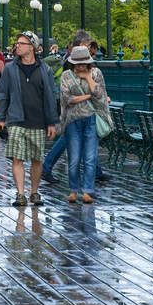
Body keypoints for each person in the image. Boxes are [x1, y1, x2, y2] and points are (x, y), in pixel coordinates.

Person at [0, 32, 59, 206]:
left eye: (21, 43)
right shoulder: (10, 68)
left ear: (32, 47)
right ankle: (20, 194)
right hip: (16, 119)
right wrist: (1, 117)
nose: (17, 46)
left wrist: (52, 122)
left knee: (37, 159)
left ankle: (34, 192)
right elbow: (3, 94)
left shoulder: (45, 69)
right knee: (17, 158)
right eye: (17, 43)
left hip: (38, 120)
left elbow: (50, 97)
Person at [51, 45, 107, 204]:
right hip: (72, 120)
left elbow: (101, 95)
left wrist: (88, 78)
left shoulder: (96, 73)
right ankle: (74, 190)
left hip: (91, 119)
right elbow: (66, 99)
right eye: (77, 63)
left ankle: (88, 191)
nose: (80, 66)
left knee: (90, 157)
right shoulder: (67, 76)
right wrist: (89, 96)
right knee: (74, 158)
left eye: (83, 63)